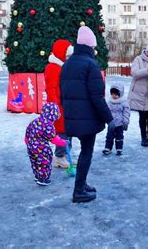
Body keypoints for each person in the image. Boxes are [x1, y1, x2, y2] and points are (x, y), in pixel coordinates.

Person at [61, 26, 114, 203]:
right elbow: (97, 97)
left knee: (84, 152)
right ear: (91, 46)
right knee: (86, 152)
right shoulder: (91, 65)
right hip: (88, 118)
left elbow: (64, 94)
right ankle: (78, 191)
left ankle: (82, 184)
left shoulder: (67, 64)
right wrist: (109, 119)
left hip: (73, 116)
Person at [44, 39, 74, 169]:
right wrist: (55, 108)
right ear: (61, 54)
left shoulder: (64, 66)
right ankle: (59, 157)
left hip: (66, 104)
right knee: (62, 131)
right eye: (67, 56)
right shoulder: (53, 68)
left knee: (68, 130)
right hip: (58, 106)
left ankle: (65, 155)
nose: (69, 58)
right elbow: (51, 89)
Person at [24, 102, 68, 186]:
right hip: (41, 148)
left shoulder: (34, 121)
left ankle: (37, 175)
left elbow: (27, 133)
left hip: (30, 147)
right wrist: (63, 142)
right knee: (45, 162)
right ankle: (43, 179)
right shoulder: (48, 125)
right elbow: (53, 138)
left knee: (35, 162)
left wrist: (28, 143)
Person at [102, 82, 130, 156]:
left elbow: (126, 112)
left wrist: (126, 121)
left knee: (119, 137)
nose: (114, 96)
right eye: (112, 94)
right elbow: (106, 111)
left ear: (120, 94)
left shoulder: (124, 102)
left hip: (120, 123)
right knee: (109, 136)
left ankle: (119, 148)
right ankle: (108, 148)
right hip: (111, 123)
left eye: (116, 94)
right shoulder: (109, 102)